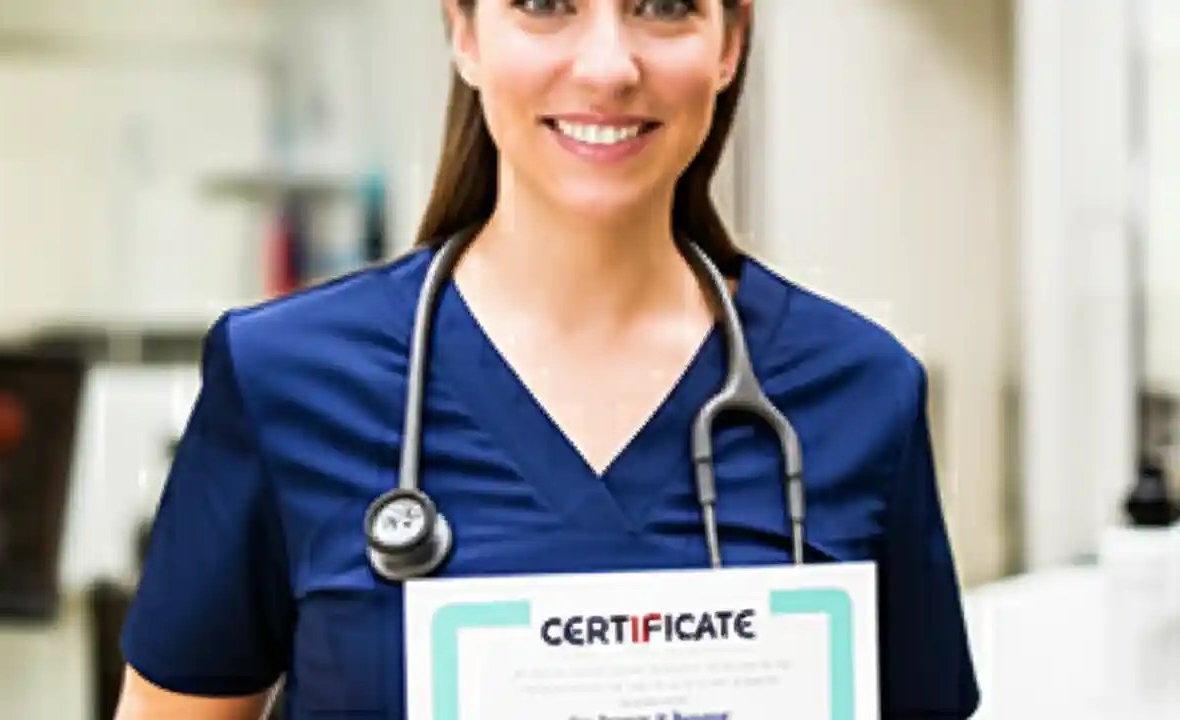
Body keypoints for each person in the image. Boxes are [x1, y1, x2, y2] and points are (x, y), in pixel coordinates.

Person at [115, 0, 981, 718]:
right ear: (463, 31)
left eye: (665, 6)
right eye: (544, 4)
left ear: (731, 43)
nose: (608, 64)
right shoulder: (286, 379)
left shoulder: (860, 393)